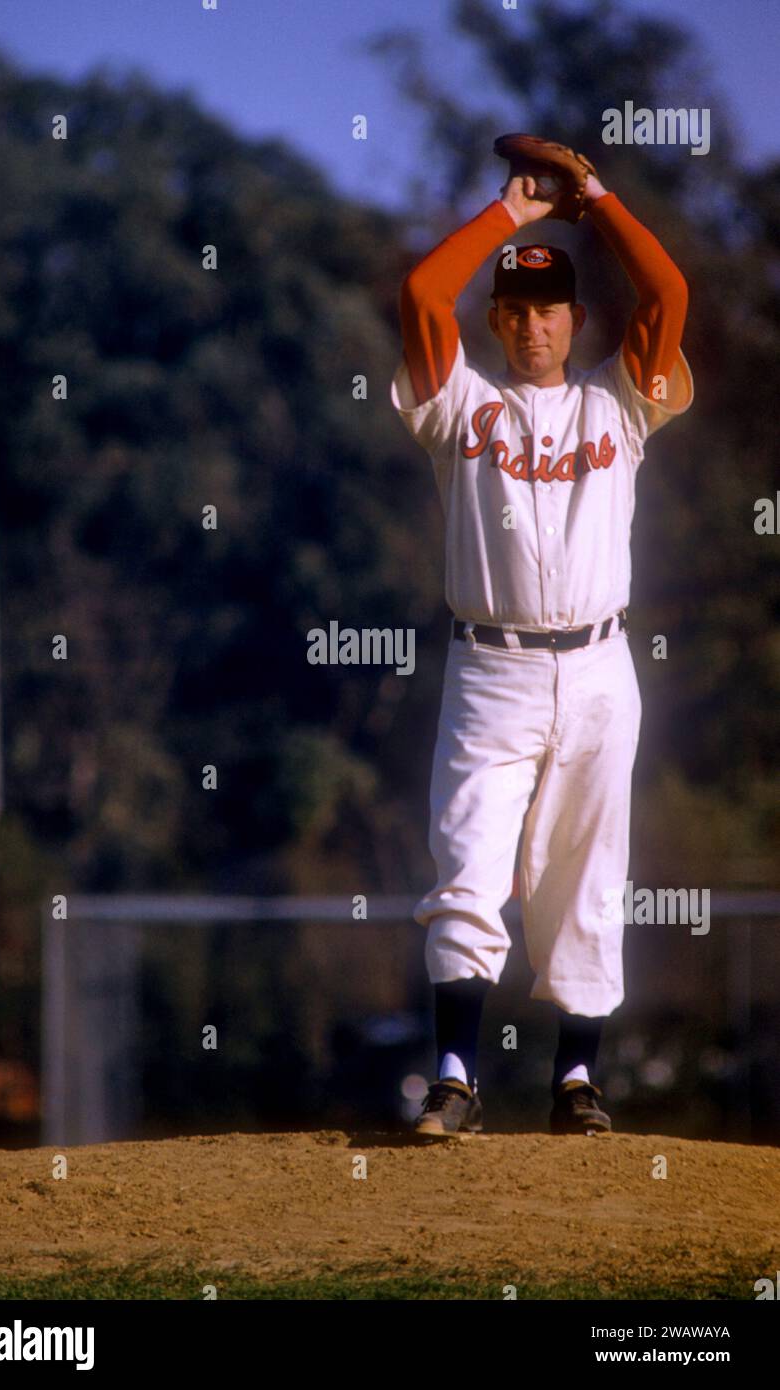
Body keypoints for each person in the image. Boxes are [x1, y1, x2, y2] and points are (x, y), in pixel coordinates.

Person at [390, 160, 694, 1138]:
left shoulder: (621, 403)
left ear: (575, 319)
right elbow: (421, 291)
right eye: (514, 308)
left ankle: (575, 1083)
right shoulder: (457, 409)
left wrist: (596, 197)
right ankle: (455, 1076)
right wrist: (513, 213)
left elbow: (670, 291)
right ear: (495, 322)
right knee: (468, 860)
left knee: (589, 876)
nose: (532, 324)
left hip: (602, 669)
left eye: (548, 307)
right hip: (494, 669)